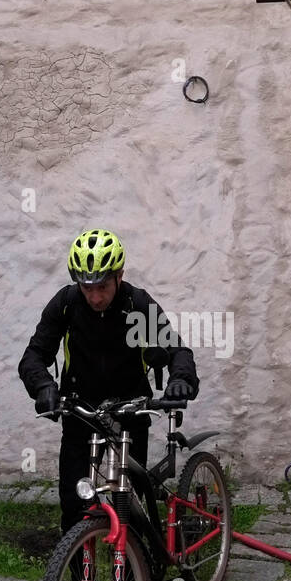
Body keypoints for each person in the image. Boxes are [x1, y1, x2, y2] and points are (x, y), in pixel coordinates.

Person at [19, 228, 199, 535]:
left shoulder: (137, 303)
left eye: (102, 286)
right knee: (75, 502)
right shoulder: (66, 303)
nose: (95, 297)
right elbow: (34, 356)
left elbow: (176, 349)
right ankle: (78, 580)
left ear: (119, 275)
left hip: (130, 409)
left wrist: (179, 379)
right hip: (81, 412)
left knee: (127, 502)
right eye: (86, 288)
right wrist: (44, 387)